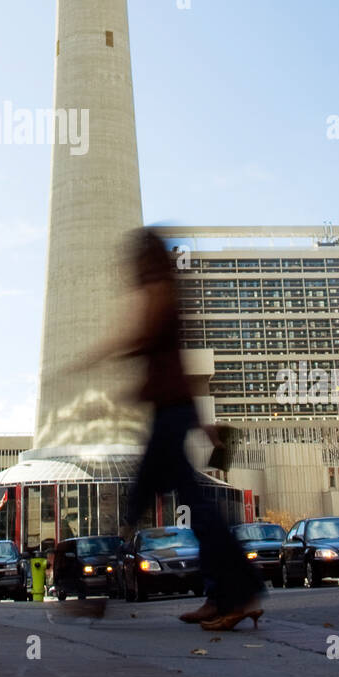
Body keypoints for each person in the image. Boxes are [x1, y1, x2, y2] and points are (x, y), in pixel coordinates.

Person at [69, 228, 264, 631]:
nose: (130, 268)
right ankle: (219, 594)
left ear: (147, 260)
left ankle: (237, 594)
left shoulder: (160, 290)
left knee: (191, 507)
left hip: (169, 414)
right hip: (171, 412)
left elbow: (147, 339)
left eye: (135, 260)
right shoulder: (164, 291)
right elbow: (172, 359)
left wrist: (99, 355)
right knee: (162, 501)